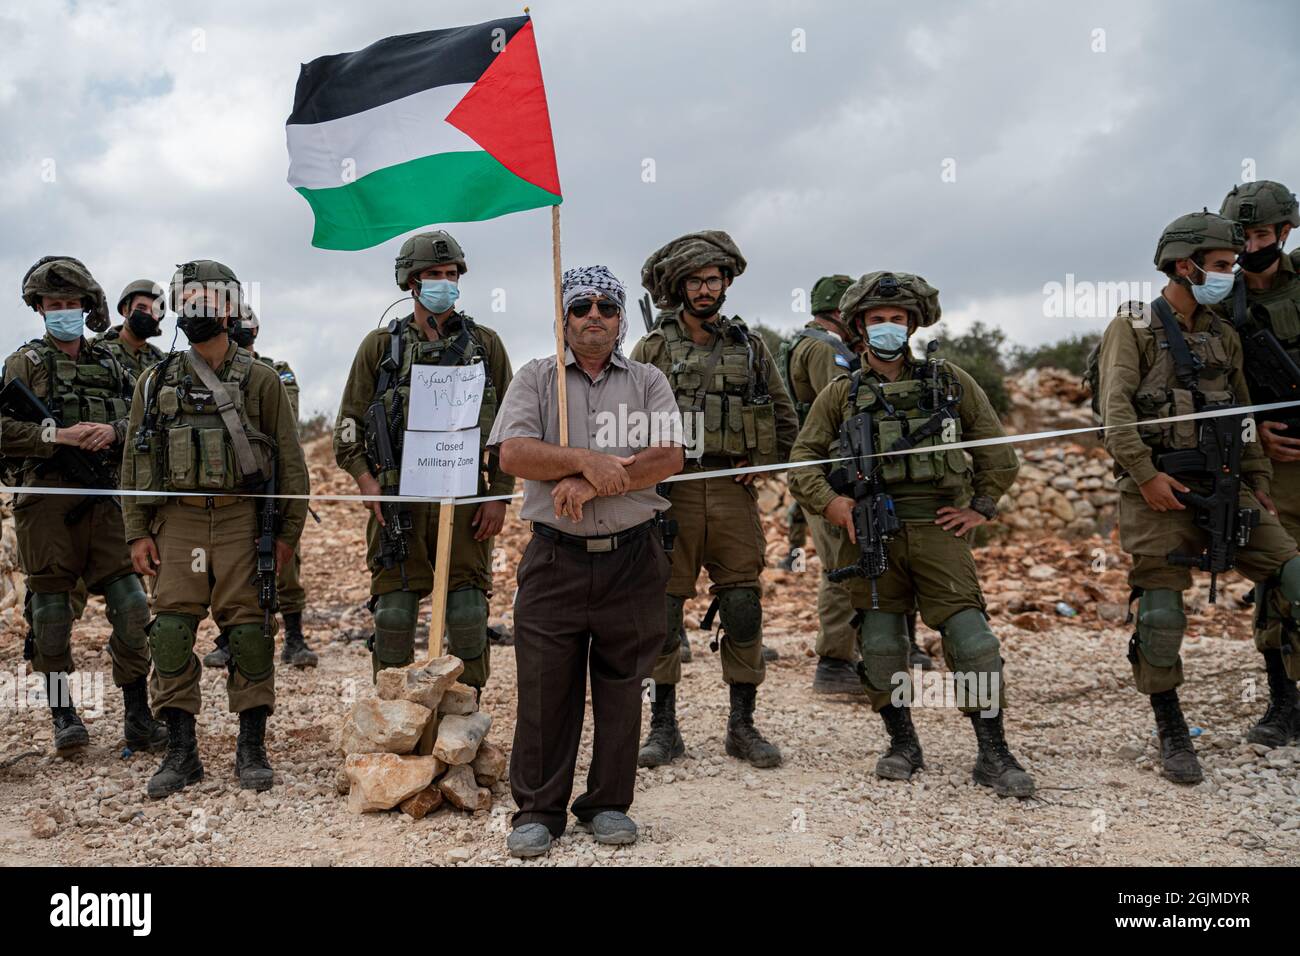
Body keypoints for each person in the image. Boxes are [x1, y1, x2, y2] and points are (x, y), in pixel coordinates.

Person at [788, 271, 1034, 797]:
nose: (887, 329)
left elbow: (998, 453)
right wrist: (833, 505)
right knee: (879, 645)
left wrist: (980, 509)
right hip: (872, 530)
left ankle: (993, 752)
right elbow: (801, 463)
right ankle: (902, 743)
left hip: (937, 528)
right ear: (859, 328)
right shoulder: (839, 395)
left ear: (913, 325)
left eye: (897, 320)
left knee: (973, 641)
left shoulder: (949, 382)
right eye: (876, 321)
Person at [488, 265, 683, 858]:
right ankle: (539, 811)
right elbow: (513, 452)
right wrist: (582, 461)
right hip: (555, 558)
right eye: (580, 307)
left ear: (621, 317)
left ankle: (607, 804)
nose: (592, 315)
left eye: (605, 306)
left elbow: (669, 455)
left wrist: (597, 484)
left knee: (624, 686)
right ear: (563, 319)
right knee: (545, 686)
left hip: (633, 557)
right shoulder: (535, 377)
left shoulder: (649, 380)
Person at [1098, 211, 1300, 783]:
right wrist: (1145, 477)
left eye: (1231, 264)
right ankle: (1173, 731)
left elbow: (1242, 417)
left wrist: (1257, 483)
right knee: (1161, 616)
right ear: (1184, 267)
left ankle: (1289, 701)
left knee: (1292, 575)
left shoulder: (1223, 334)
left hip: (1229, 486)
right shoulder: (1132, 327)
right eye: (1219, 265)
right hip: (1158, 490)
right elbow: (1114, 416)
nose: (1229, 274)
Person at [122, 259, 309, 797]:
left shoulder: (261, 379)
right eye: (189, 299)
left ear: (231, 307)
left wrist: (287, 536)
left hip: (241, 520)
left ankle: (251, 747)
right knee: (173, 633)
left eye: (211, 299)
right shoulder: (155, 380)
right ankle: (182, 753)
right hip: (177, 520)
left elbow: (292, 466)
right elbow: (136, 465)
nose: (199, 310)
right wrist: (137, 531)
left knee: (250, 632)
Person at [631, 231, 798, 770]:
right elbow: (621, 414)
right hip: (669, 494)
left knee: (744, 606)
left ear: (726, 282)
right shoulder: (653, 347)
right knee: (662, 610)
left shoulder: (749, 346)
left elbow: (782, 411)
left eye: (713, 279)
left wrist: (765, 463)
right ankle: (663, 727)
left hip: (730, 489)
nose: (705, 289)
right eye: (695, 281)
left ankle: (742, 726)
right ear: (679, 287)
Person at [334, 231, 513, 688]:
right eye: (433, 275)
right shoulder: (379, 348)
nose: (444, 283)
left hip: (467, 503)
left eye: (451, 274)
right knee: (394, 615)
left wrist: (498, 497)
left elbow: (512, 430)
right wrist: (365, 483)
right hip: (397, 502)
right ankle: (392, 721)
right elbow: (348, 427)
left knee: (467, 612)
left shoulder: (486, 346)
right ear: (411, 282)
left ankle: (464, 718)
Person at [4, 256, 164, 756]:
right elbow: (4, 427)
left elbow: (144, 414)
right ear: (40, 308)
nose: (64, 312)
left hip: (106, 501)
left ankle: (138, 715)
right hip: (47, 504)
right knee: (50, 616)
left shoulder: (112, 361)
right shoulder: (25, 363)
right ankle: (63, 717)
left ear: (86, 306)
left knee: (134, 608)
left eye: (72, 304)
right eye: (54, 305)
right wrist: (59, 435)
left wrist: (112, 430)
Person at [1216, 180, 1300, 745]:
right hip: (1274, 465)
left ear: (1286, 232)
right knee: (1278, 579)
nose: (1250, 245)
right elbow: (1210, 388)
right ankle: (1283, 702)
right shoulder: (1217, 300)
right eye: (1240, 236)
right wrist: (1255, 433)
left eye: (1261, 234)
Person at [198, 309, 318, 668]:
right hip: (227, 479)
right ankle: (229, 637)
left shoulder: (274, 371)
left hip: (271, 476)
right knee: (224, 566)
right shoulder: (204, 371)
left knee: (286, 560)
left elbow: (286, 416)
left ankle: (294, 637)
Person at [98, 279, 167, 386]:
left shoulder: (161, 361)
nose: (148, 314)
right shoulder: (97, 348)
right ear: (126, 310)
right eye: (141, 308)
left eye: (155, 311)